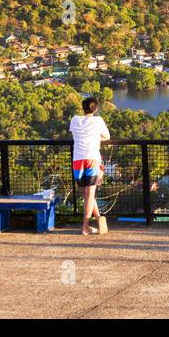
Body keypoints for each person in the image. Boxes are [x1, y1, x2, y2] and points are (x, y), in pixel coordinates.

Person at [69, 97, 110, 236]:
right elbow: (107, 136)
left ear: (82, 107)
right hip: (92, 158)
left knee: (86, 194)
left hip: (77, 160)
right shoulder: (98, 121)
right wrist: (96, 138)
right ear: (96, 109)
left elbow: (74, 133)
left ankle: (98, 218)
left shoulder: (74, 120)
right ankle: (85, 227)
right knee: (90, 194)